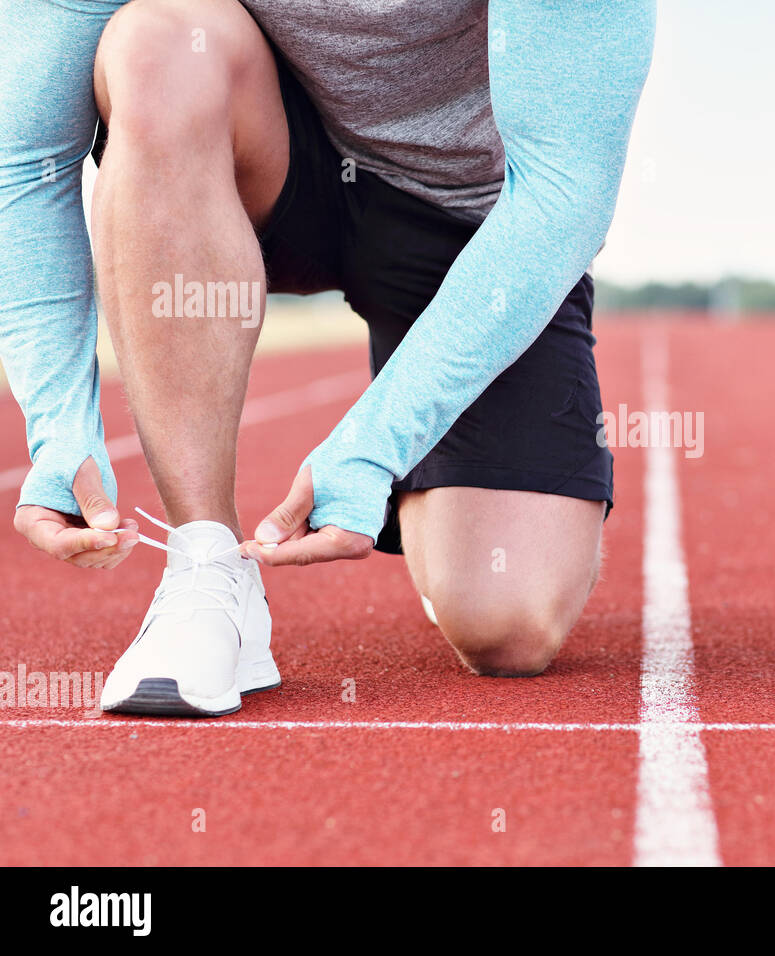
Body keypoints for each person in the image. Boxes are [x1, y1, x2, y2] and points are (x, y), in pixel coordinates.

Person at [3, 0, 654, 716]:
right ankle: (207, 569)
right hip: (269, 157)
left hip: (468, 221)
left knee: (507, 626)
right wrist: (57, 421)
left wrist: (377, 443)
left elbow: (566, 191)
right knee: (154, 48)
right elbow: (23, 156)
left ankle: (435, 464)